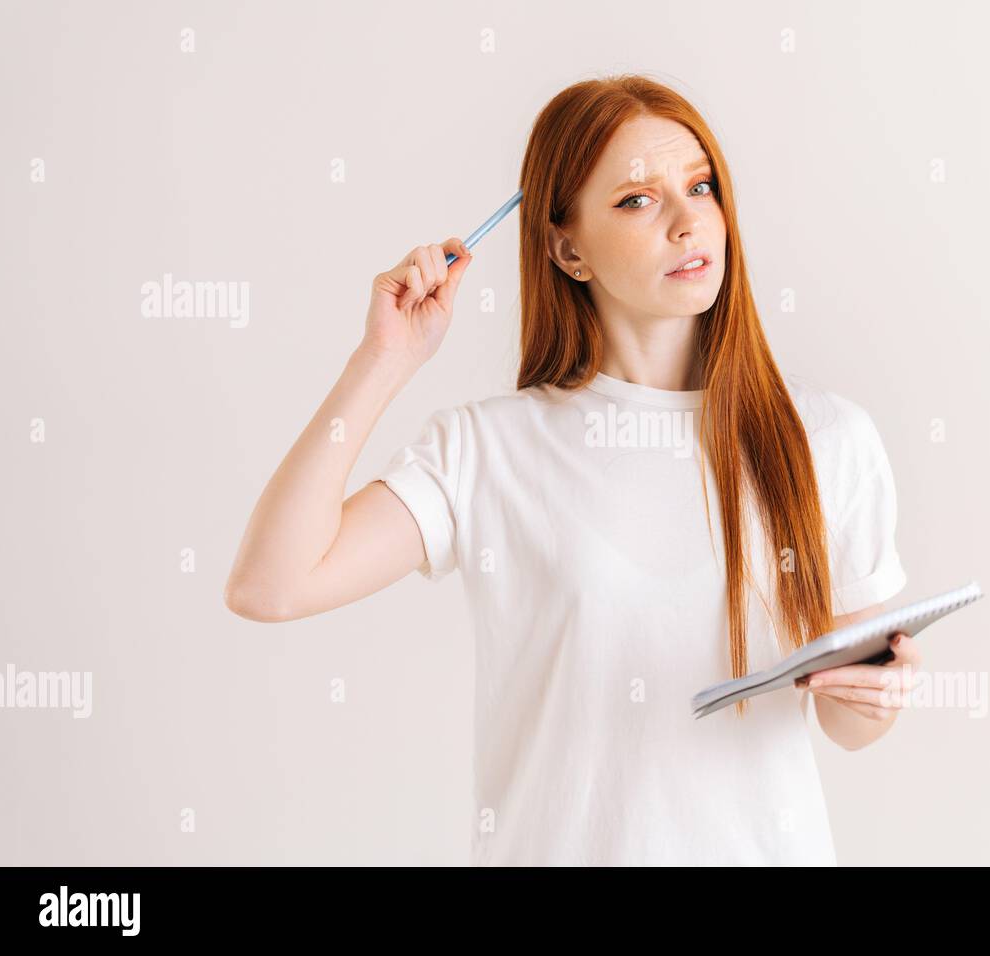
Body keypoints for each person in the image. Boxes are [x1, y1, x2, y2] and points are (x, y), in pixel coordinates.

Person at [224, 74, 921, 866]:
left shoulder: (826, 438)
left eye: (700, 187)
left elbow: (852, 726)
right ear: (568, 249)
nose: (689, 220)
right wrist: (383, 360)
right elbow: (269, 586)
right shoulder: (488, 450)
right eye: (636, 200)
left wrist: (878, 691)